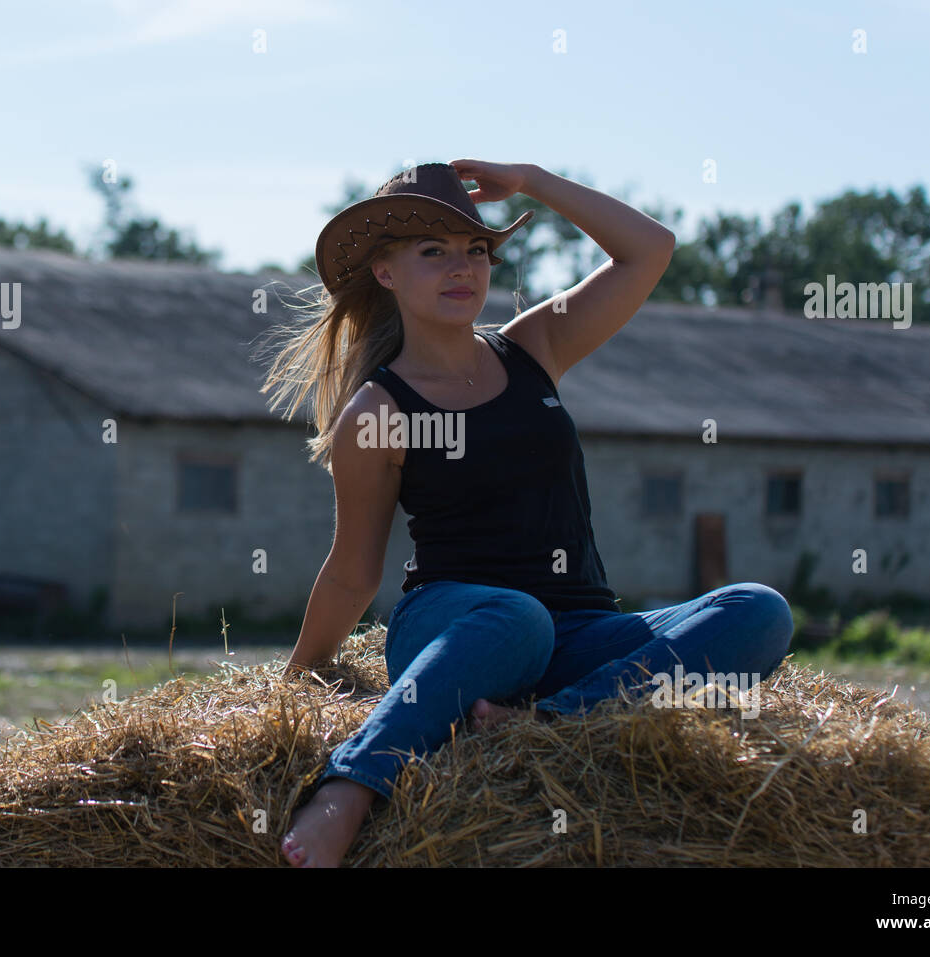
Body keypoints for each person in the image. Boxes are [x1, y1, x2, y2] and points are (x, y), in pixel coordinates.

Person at [258, 159, 794, 867]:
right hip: (458, 626)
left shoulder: (535, 346)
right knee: (518, 618)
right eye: (434, 252)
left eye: (476, 249)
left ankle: (544, 722)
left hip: (578, 632)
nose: (463, 268)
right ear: (385, 272)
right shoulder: (377, 412)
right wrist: (296, 684)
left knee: (758, 611)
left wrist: (534, 179)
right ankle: (350, 784)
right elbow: (354, 570)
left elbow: (650, 248)